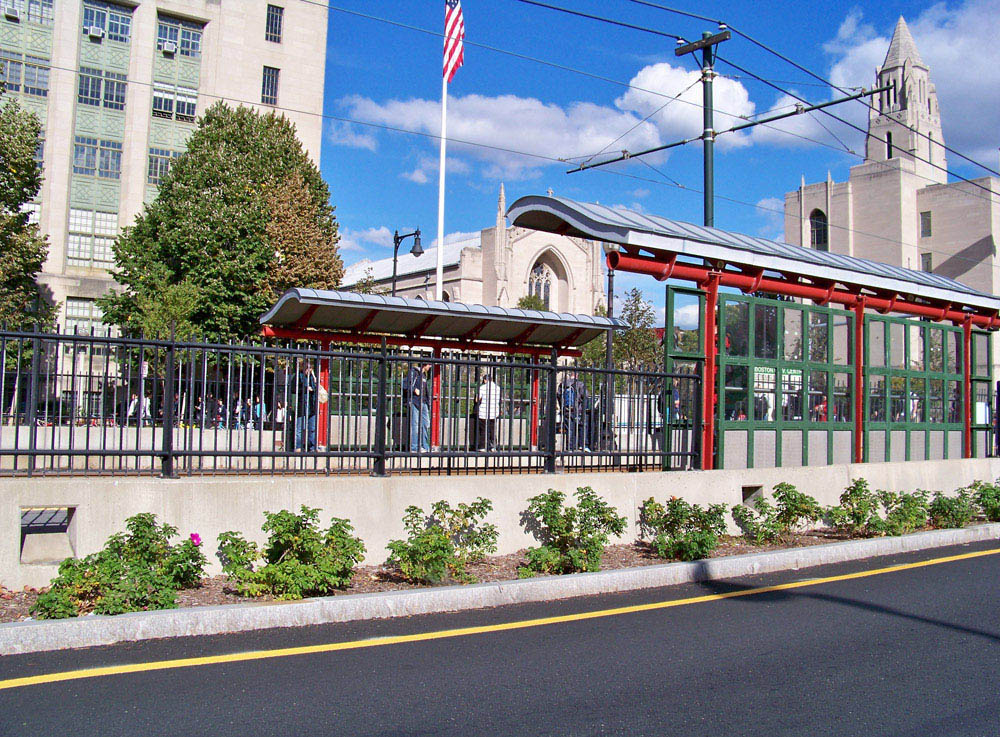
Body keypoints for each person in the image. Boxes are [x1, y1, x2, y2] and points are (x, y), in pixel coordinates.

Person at [404, 362, 431, 452]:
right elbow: (405, 384)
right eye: (429, 365)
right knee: (415, 424)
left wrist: (427, 402)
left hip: (423, 402)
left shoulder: (423, 375)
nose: (430, 367)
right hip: (415, 401)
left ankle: (424, 445)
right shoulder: (414, 372)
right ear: (425, 364)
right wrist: (414, 389)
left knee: (425, 424)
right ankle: (415, 447)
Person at [559, 370, 589, 451]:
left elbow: (558, 395)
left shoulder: (563, 384)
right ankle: (583, 445)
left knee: (569, 429)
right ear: (577, 375)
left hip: (566, 410)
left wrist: (562, 407)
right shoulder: (580, 384)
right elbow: (585, 396)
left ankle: (570, 447)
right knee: (582, 427)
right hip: (577, 410)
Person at [294, 361, 317, 451]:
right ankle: (298, 446)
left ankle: (312, 447)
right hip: (302, 406)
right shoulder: (298, 377)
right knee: (300, 428)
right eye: (307, 368)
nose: (309, 370)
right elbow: (293, 389)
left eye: (310, 368)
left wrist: (314, 376)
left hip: (312, 406)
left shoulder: (312, 378)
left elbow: (317, 387)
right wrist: (305, 388)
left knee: (312, 429)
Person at [477, 372, 502, 450]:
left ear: (485, 380)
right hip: (494, 412)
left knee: (483, 430)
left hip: (483, 412)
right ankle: (493, 446)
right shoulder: (498, 388)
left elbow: (477, 399)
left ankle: (482, 447)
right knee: (492, 430)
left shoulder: (482, 387)